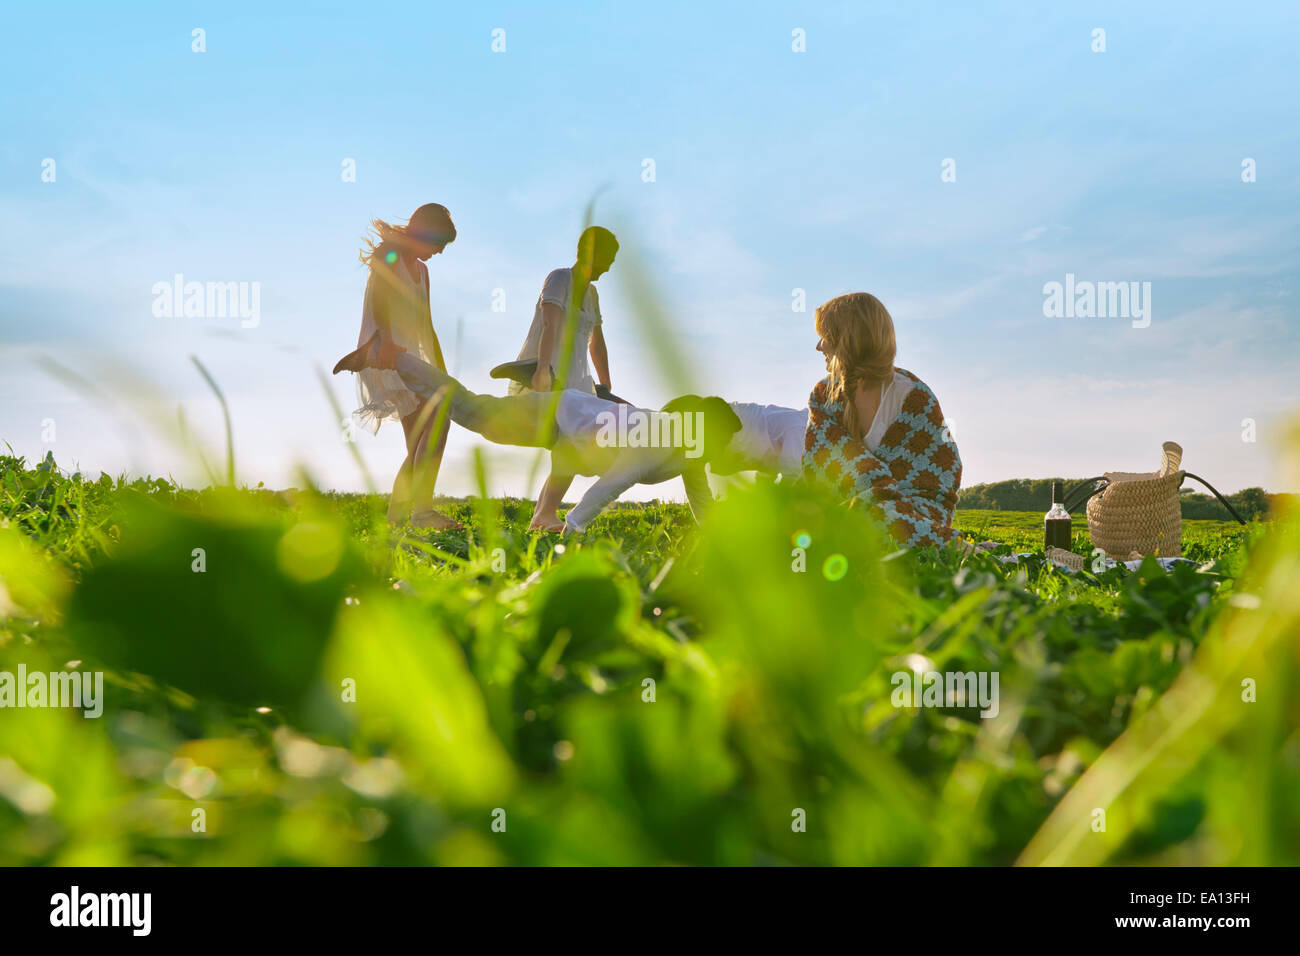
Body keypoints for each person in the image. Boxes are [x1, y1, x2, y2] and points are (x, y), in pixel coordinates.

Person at [333, 333, 741, 534]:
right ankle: (391, 355)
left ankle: (540, 517)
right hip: (562, 415)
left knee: (569, 459)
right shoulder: (664, 441)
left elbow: (702, 501)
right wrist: (576, 526)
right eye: (722, 439)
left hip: (575, 432)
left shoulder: (689, 453)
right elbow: (615, 484)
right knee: (475, 412)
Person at [802, 292, 962, 547]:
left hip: (914, 511)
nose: (819, 346)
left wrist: (880, 502)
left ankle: (956, 548)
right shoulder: (823, 397)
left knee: (872, 517)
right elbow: (821, 467)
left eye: (826, 336)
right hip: (849, 511)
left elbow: (939, 473)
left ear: (849, 339)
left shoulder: (912, 396)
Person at [349, 203, 462, 530]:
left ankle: (398, 520)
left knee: (419, 442)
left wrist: (440, 370)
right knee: (437, 421)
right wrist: (385, 340)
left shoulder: (423, 272)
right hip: (386, 355)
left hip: (411, 358)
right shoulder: (388, 254)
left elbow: (427, 323)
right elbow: (380, 299)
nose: (439, 252)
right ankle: (421, 513)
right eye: (438, 244)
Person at [510, 226, 620, 532]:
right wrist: (543, 370)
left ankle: (543, 515)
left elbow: (596, 341)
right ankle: (544, 514)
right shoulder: (560, 278)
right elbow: (550, 324)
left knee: (570, 444)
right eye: (607, 258)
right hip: (552, 371)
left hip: (580, 381)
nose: (609, 266)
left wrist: (606, 383)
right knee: (568, 443)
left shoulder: (592, 293)